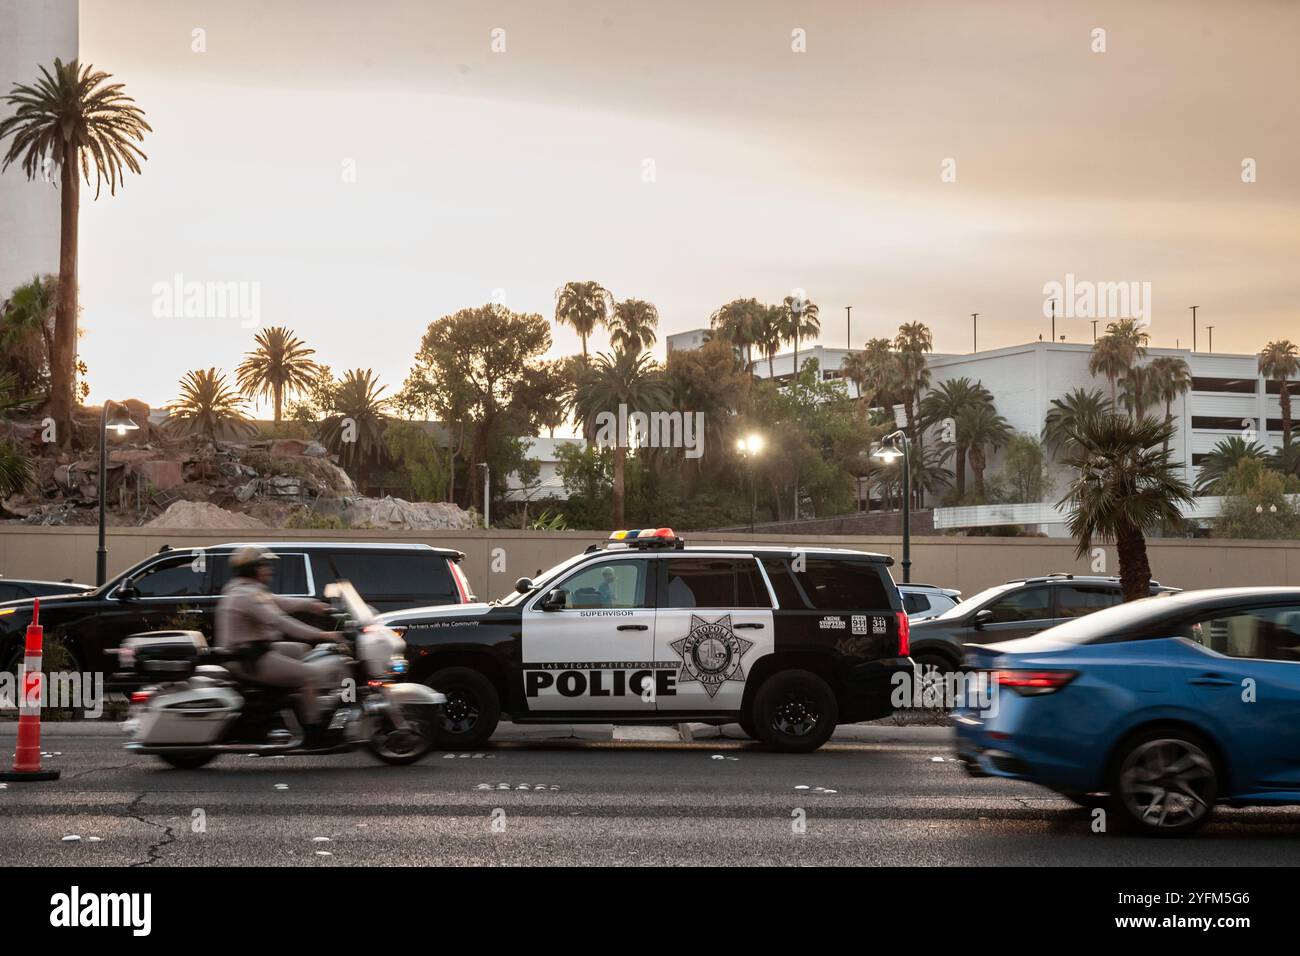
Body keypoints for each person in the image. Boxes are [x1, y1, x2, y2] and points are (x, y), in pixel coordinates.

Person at [213, 546, 345, 730]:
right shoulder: (245, 595)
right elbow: (280, 621)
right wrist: (323, 635)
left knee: (303, 650)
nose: (269, 569)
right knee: (310, 675)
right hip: (248, 658)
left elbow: (281, 601)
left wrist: (314, 605)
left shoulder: (249, 590)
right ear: (252, 569)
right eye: (264, 565)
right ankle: (314, 727)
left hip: (254, 651)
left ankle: (292, 699)